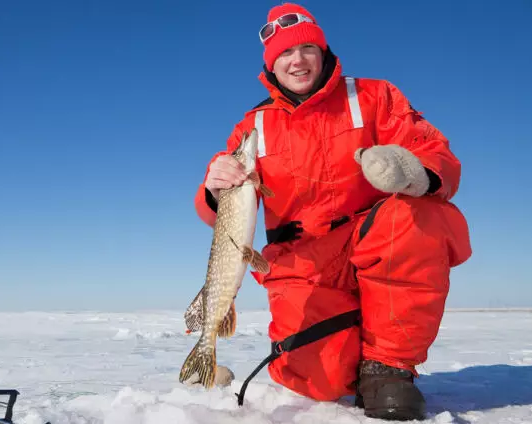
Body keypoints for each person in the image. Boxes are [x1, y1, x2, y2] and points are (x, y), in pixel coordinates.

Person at [193, 3, 472, 421]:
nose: (297, 59)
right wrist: (214, 185)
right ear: (272, 65)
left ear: (323, 52)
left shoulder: (374, 97)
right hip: (302, 262)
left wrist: (414, 172)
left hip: (375, 238)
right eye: (285, 53)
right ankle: (352, 349)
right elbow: (219, 212)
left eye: (306, 48)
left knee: (419, 216)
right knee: (314, 379)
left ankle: (387, 368)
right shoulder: (253, 125)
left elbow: (435, 154)